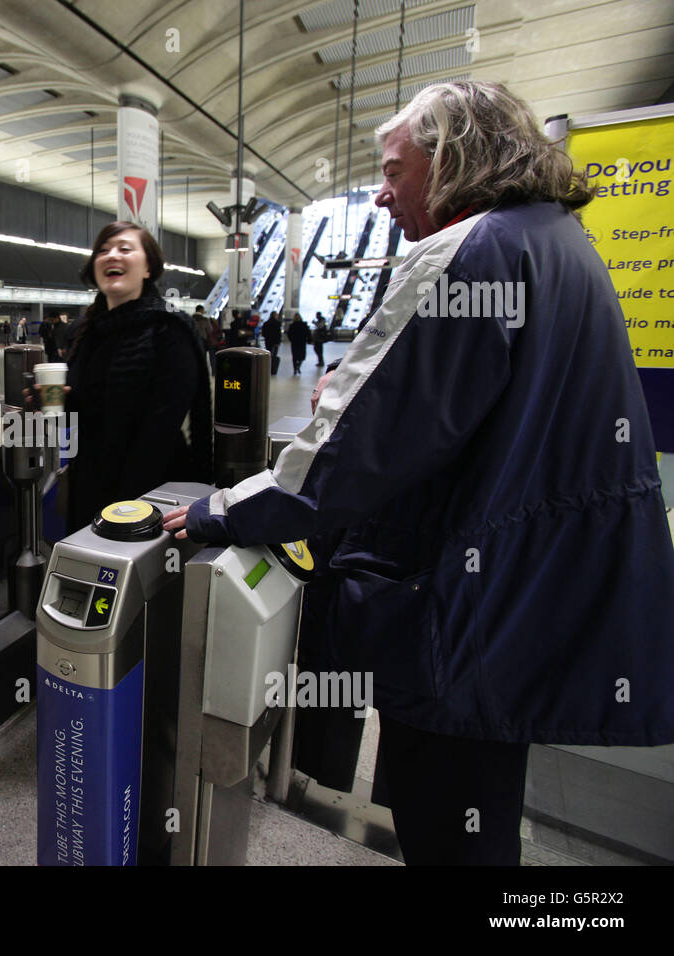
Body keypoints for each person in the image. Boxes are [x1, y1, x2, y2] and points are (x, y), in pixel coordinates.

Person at [164, 80, 674, 866]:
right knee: (481, 821)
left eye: (394, 171)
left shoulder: (468, 251)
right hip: (526, 599)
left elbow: (344, 457)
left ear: (455, 160)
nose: (379, 193)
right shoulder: (557, 238)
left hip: (466, 613)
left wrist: (219, 513)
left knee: (449, 830)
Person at [63, 221, 212, 531]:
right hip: (88, 487)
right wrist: (52, 405)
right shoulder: (86, 333)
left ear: (148, 268)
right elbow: (84, 416)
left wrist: (123, 508)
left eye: (125, 248)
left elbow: (158, 431)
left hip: (153, 495)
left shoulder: (170, 329)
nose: (112, 255)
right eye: (103, 250)